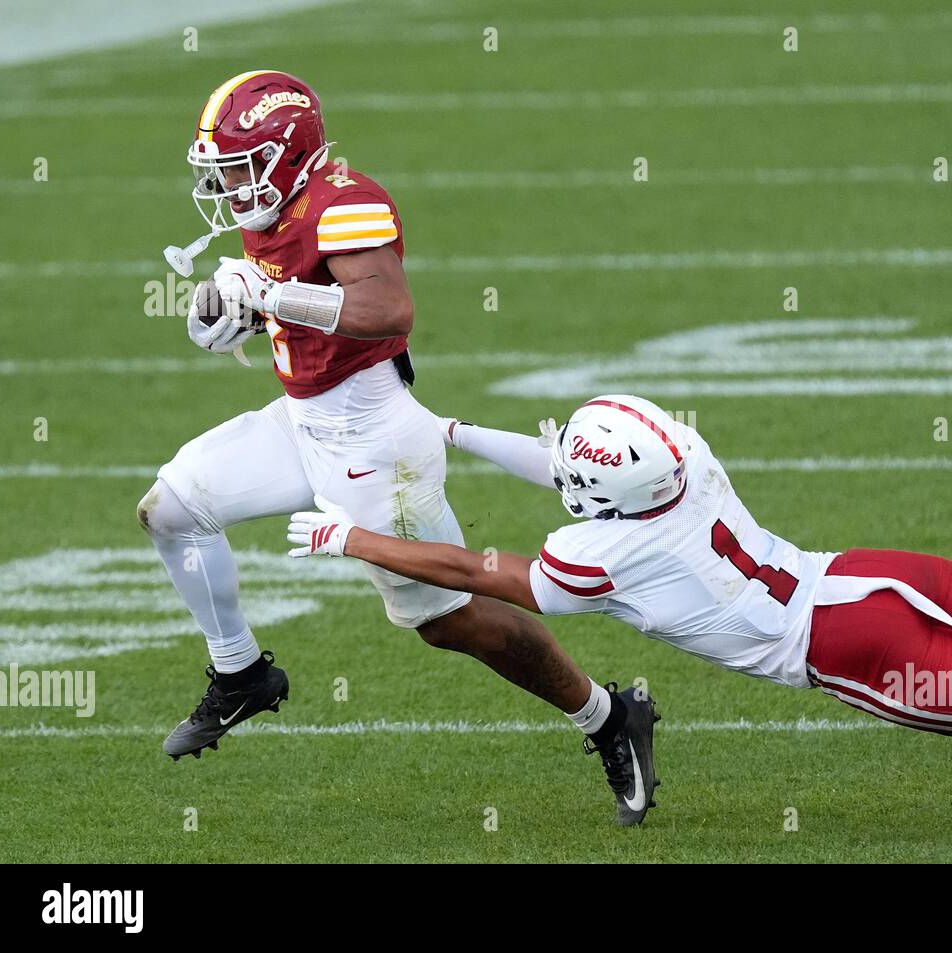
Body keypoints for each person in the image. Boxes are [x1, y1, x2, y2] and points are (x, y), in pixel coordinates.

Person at [139, 70, 656, 826]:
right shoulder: (277, 204)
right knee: (170, 511)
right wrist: (243, 318)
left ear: (289, 155)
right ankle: (241, 671)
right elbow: (302, 297)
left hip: (376, 444)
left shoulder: (345, 199)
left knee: (452, 619)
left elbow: (386, 308)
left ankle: (609, 716)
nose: (228, 187)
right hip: (304, 421)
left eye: (239, 168)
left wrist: (270, 297)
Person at [286, 396, 952, 759]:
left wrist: (349, 539)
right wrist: (455, 431)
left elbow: (472, 569)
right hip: (863, 573)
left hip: (849, 644)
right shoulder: (684, 456)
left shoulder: (596, 555)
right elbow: (566, 461)